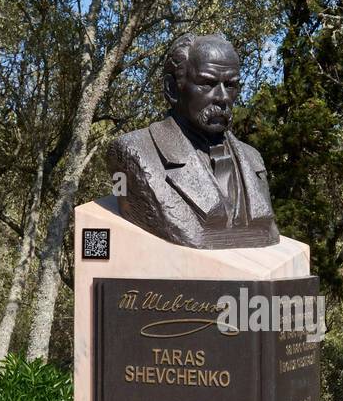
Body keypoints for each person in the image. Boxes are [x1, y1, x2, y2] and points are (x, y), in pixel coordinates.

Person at [106, 32, 280, 249]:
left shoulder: (252, 158)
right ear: (172, 88)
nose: (223, 97)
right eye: (207, 84)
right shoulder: (132, 151)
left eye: (231, 85)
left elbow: (267, 226)